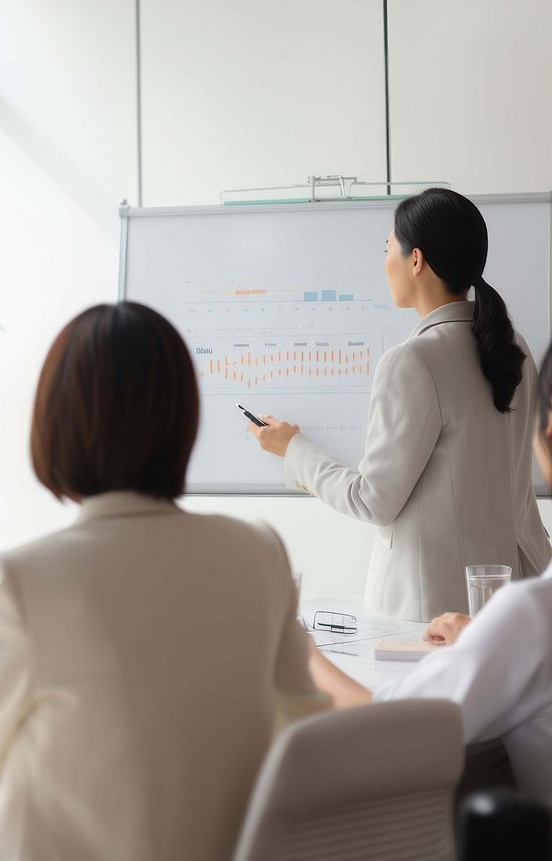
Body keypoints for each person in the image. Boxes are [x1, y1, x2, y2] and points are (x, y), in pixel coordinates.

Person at [0, 302, 330, 861]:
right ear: (185, 419)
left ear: (55, 423)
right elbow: (308, 733)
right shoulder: (258, 551)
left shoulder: (24, 583)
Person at [309, 328, 552, 853]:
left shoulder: (538, 616)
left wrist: (298, 652)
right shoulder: (507, 345)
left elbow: (394, 723)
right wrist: (491, 638)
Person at [249, 188, 552, 619]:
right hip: (516, 593)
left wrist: (293, 449)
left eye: (388, 247)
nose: (385, 260)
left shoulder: (413, 361)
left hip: (434, 608)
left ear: (416, 260)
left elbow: (374, 500)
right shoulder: (511, 346)